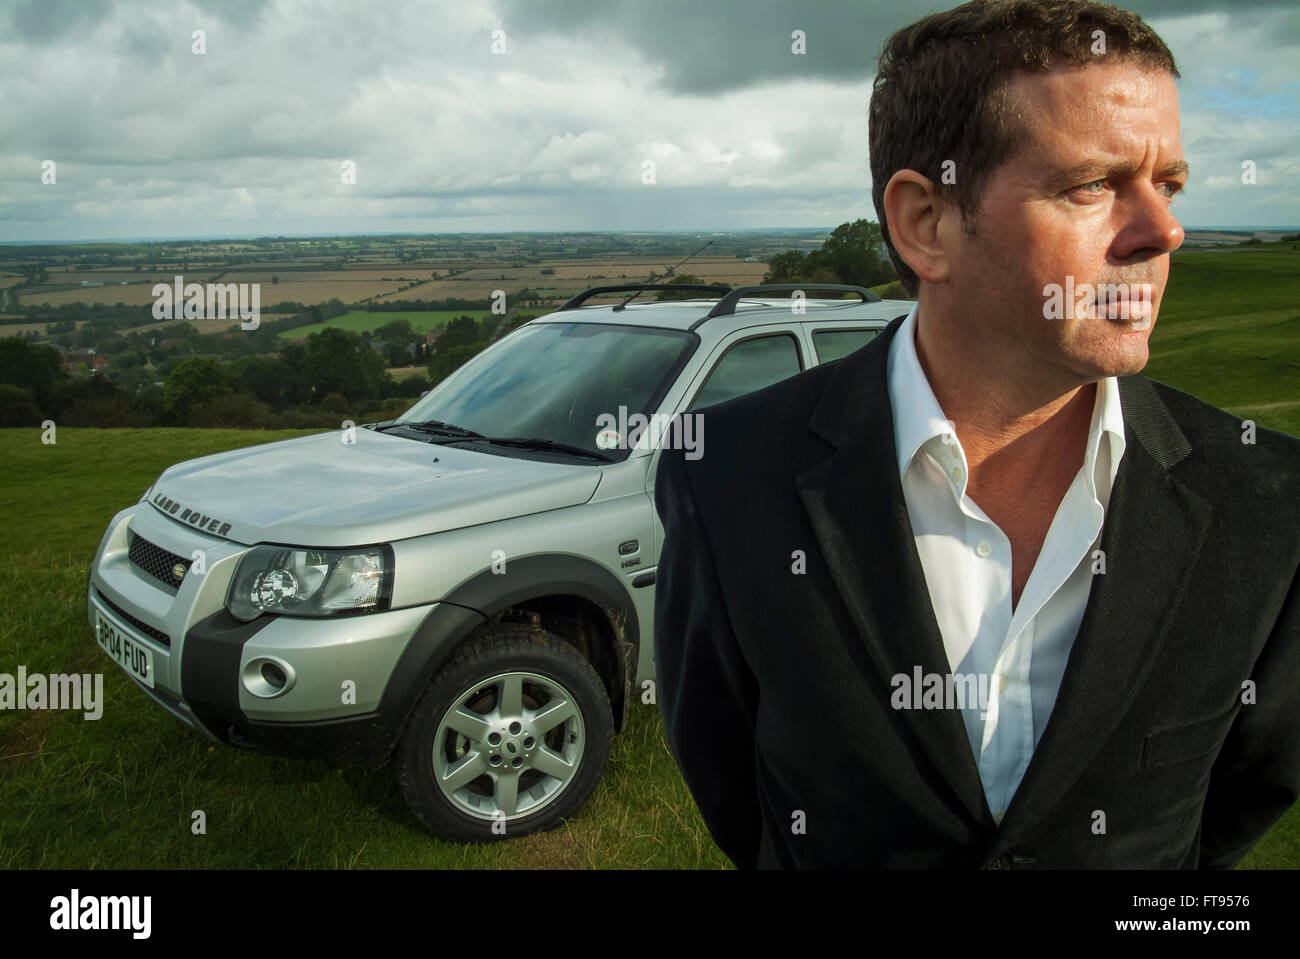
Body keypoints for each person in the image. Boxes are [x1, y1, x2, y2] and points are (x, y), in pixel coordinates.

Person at [652, 0, 1300, 868]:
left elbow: (1240, 794)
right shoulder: (730, 475)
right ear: (927, 223)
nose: (1163, 231)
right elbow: (739, 788)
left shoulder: (1264, 499)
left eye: (1169, 184)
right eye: (1094, 185)